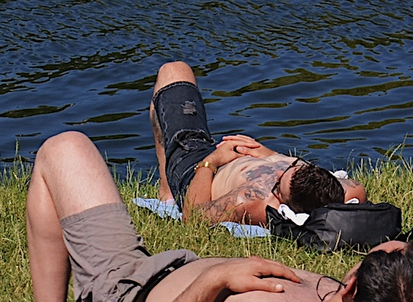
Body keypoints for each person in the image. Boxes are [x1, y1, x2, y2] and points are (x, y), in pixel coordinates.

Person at [25, 131, 413, 302]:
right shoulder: (340, 300)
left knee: (64, 149)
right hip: (160, 270)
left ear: (354, 282)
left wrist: (216, 277)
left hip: (125, 298)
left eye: (375, 251)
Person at [149, 60, 367, 226]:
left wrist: (211, 161)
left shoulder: (251, 200)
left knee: (173, 72)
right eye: (291, 168)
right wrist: (270, 155)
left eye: (277, 185)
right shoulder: (347, 190)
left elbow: (193, 217)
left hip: (195, 168)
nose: (278, 174)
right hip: (234, 157)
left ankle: (167, 190)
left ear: (284, 204)